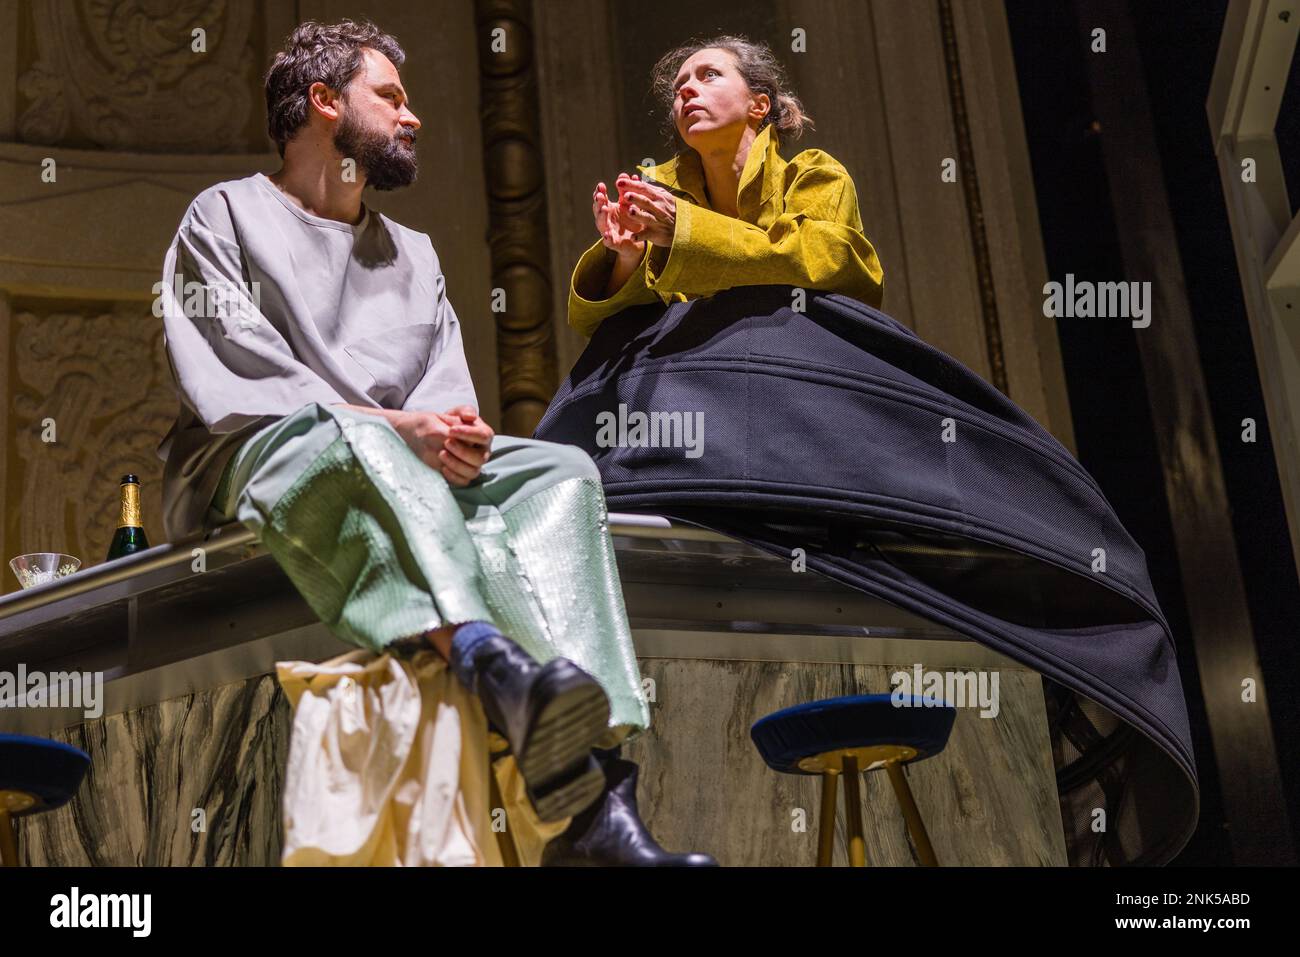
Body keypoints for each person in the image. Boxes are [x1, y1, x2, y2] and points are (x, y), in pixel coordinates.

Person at [156, 19, 714, 867]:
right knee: (363, 446)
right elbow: (241, 384)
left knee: (558, 471)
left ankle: (594, 793)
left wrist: (453, 437)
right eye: (391, 96)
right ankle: (494, 666)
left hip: (396, 460)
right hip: (256, 454)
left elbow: (444, 405)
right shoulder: (224, 213)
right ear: (323, 102)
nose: (413, 116)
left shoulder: (412, 253)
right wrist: (397, 431)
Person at [568, 34, 884, 339]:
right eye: (679, 88)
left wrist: (688, 232)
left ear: (758, 105)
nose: (687, 90)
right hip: (703, 389)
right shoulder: (665, 213)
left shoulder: (814, 174)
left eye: (710, 75)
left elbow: (826, 263)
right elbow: (598, 329)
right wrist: (628, 258)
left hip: (804, 378)